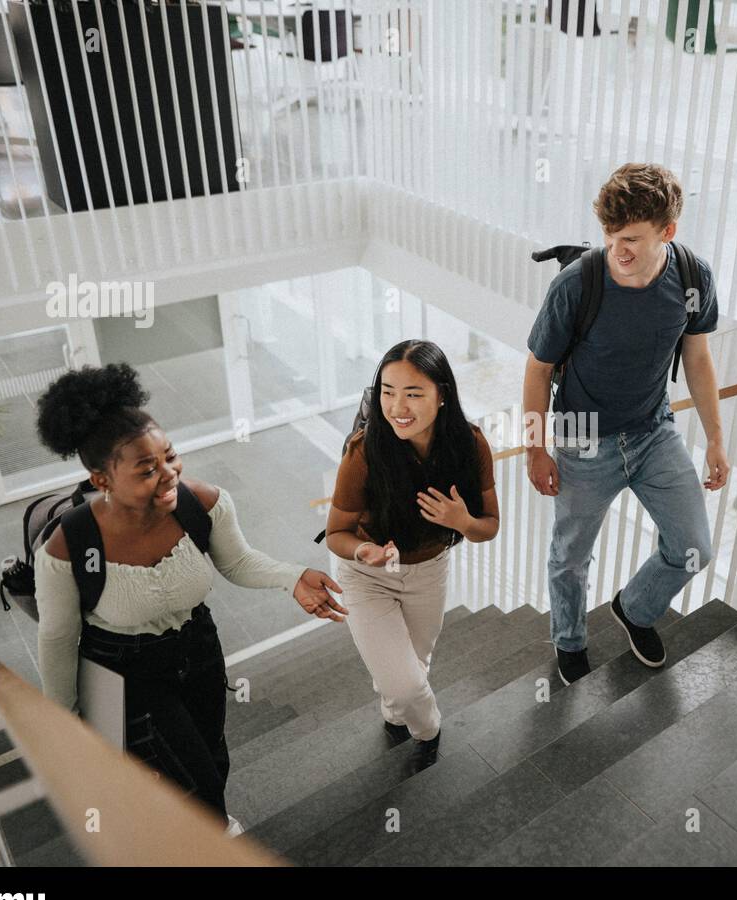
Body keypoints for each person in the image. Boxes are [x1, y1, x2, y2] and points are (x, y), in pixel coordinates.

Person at [34, 363, 346, 833]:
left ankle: (209, 823)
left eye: (170, 456)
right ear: (102, 480)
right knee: (196, 780)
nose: (168, 474)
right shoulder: (68, 546)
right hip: (127, 671)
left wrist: (292, 576)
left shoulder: (202, 503)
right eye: (147, 469)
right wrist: (65, 724)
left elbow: (237, 562)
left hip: (198, 648)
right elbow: (58, 640)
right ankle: (216, 841)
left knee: (212, 756)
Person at [523, 162, 730, 685]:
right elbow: (538, 366)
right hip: (581, 437)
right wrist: (536, 448)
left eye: (633, 238)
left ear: (668, 232)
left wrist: (716, 438)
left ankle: (634, 609)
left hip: (652, 431)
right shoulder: (578, 284)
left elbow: (698, 359)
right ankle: (569, 640)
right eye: (612, 236)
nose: (619, 248)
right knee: (570, 557)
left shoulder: (691, 277)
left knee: (694, 549)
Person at [324, 340, 499, 772]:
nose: (397, 407)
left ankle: (394, 714)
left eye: (413, 393)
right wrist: (365, 550)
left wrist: (462, 521)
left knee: (413, 666)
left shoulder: (470, 444)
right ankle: (429, 731)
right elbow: (335, 533)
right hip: (366, 574)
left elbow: (489, 526)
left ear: (442, 394)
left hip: (428, 570)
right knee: (406, 686)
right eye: (387, 391)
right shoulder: (364, 452)